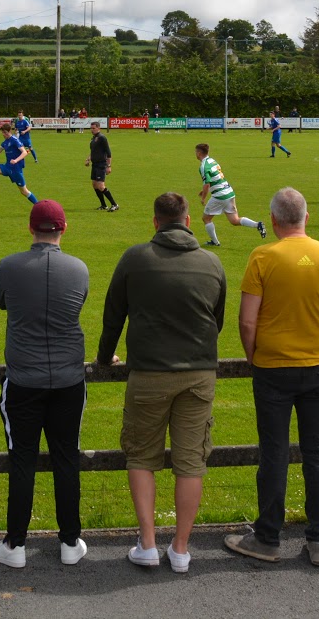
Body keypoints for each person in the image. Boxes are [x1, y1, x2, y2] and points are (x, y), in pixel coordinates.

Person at [225, 187, 319, 568]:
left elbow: (248, 320)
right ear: (306, 218)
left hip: (272, 368)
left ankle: (267, 537)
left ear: (276, 221)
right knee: (317, 452)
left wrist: (254, 356)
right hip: (317, 368)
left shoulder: (263, 256)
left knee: (274, 452)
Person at [96, 191, 225, 573]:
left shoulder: (135, 258)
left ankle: (148, 544)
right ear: (187, 222)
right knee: (190, 462)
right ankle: (181, 549)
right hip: (199, 374)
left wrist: (104, 359)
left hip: (149, 371)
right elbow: (216, 320)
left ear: (155, 222)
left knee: (141, 456)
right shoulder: (211, 262)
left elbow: (113, 317)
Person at [0, 200, 90, 569]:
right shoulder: (78, 268)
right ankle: (70, 541)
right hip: (68, 378)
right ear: (64, 228)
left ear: (31, 228)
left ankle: (15, 545)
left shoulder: (9, 266)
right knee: (66, 456)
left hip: (24, 378)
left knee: (22, 458)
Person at [194, 143, 265, 245]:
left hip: (220, 196)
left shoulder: (203, 166)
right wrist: (206, 190)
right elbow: (216, 178)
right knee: (234, 220)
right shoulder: (212, 161)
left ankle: (215, 242)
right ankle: (257, 224)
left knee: (206, 218)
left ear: (199, 153)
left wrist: (203, 198)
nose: (195, 154)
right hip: (229, 192)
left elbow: (207, 184)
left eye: (196, 152)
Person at [0, 124, 38, 206]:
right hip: (7, 167)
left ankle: (38, 205)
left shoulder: (15, 140)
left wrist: (16, 160)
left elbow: (24, 152)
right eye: (2, 132)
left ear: (9, 131)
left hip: (16, 170)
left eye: (5, 132)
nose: (3, 134)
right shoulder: (5, 142)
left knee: (24, 191)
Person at [87, 125, 118, 211]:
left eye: (93, 128)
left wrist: (108, 166)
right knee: (94, 185)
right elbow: (93, 151)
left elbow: (108, 153)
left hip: (101, 164)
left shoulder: (102, 138)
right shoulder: (93, 138)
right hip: (95, 164)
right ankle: (104, 205)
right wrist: (88, 159)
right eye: (91, 128)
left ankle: (114, 204)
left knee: (101, 186)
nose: (92, 130)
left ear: (98, 128)